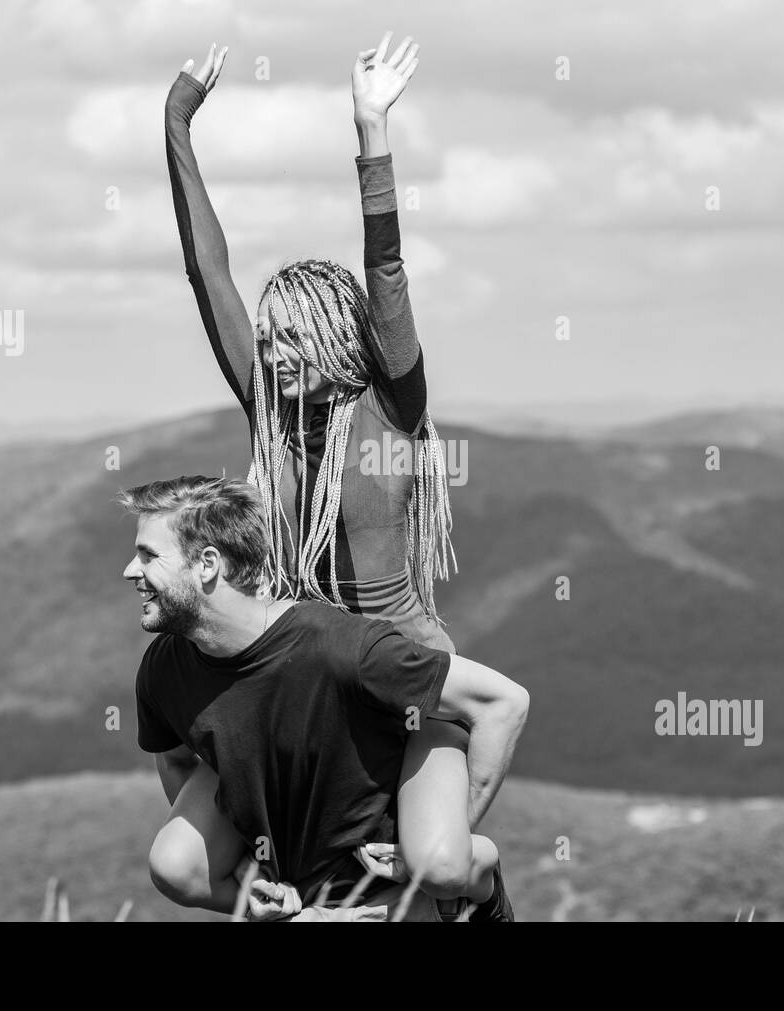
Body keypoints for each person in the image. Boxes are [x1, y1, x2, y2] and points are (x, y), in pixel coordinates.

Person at [164, 33, 510, 915]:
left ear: (330, 338)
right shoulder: (271, 416)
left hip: (401, 678)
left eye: (286, 336)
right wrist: (176, 125)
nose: (269, 351)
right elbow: (211, 275)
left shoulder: (390, 407)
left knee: (432, 871)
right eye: (266, 337)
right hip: (298, 687)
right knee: (197, 868)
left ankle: (486, 880)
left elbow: (387, 271)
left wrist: (371, 131)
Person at [122, 476, 528, 920]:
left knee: (441, 867)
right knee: (174, 867)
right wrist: (245, 870)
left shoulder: (339, 647)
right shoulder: (165, 667)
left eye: (148, 556)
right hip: (303, 833)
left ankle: (477, 873)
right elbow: (177, 759)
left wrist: (455, 834)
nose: (130, 570)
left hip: (425, 731)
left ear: (207, 565)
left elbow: (505, 702)